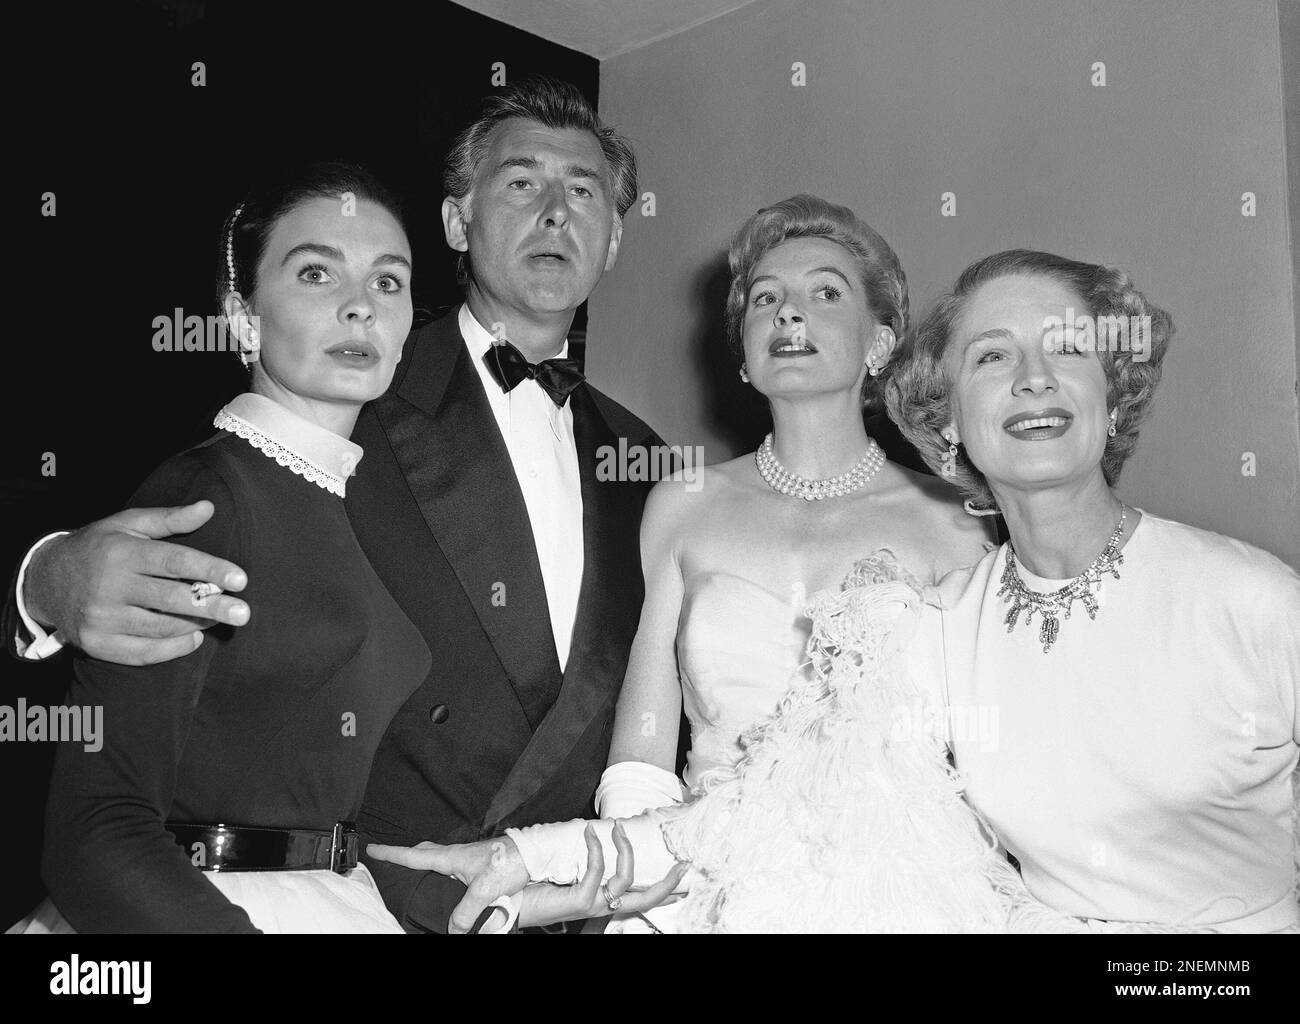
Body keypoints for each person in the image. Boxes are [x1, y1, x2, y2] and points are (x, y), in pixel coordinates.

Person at [6, 78, 661, 933]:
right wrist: (45, 576)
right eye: (521, 181)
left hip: (516, 905)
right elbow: (113, 801)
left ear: (614, 237)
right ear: (457, 223)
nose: (554, 212)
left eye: (584, 192)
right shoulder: (345, 391)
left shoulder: (645, 459)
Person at [369, 195, 1015, 933]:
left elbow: (984, 758)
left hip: (895, 895)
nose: (790, 315)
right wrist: (632, 899)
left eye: (825, 293)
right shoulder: (681, 502)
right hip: (694, 890)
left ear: (880, 342)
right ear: (741, 350)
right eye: (766, 299)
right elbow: (642, 751)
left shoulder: (958, 523)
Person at [13, 162, 430, 932]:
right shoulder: (208, 497)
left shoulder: (356, 504)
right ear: (243, 319)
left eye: (388, 283)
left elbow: (316, 817)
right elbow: (95, 831)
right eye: (316, 273)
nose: (360, 309)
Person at [886, 249, 1300, 932]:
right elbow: (816, 799)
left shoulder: (1252, 600)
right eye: (992, 357)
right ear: (950, 423)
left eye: (1068, 349)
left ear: (1112, 400)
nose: (1033, 378)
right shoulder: (936, 628)